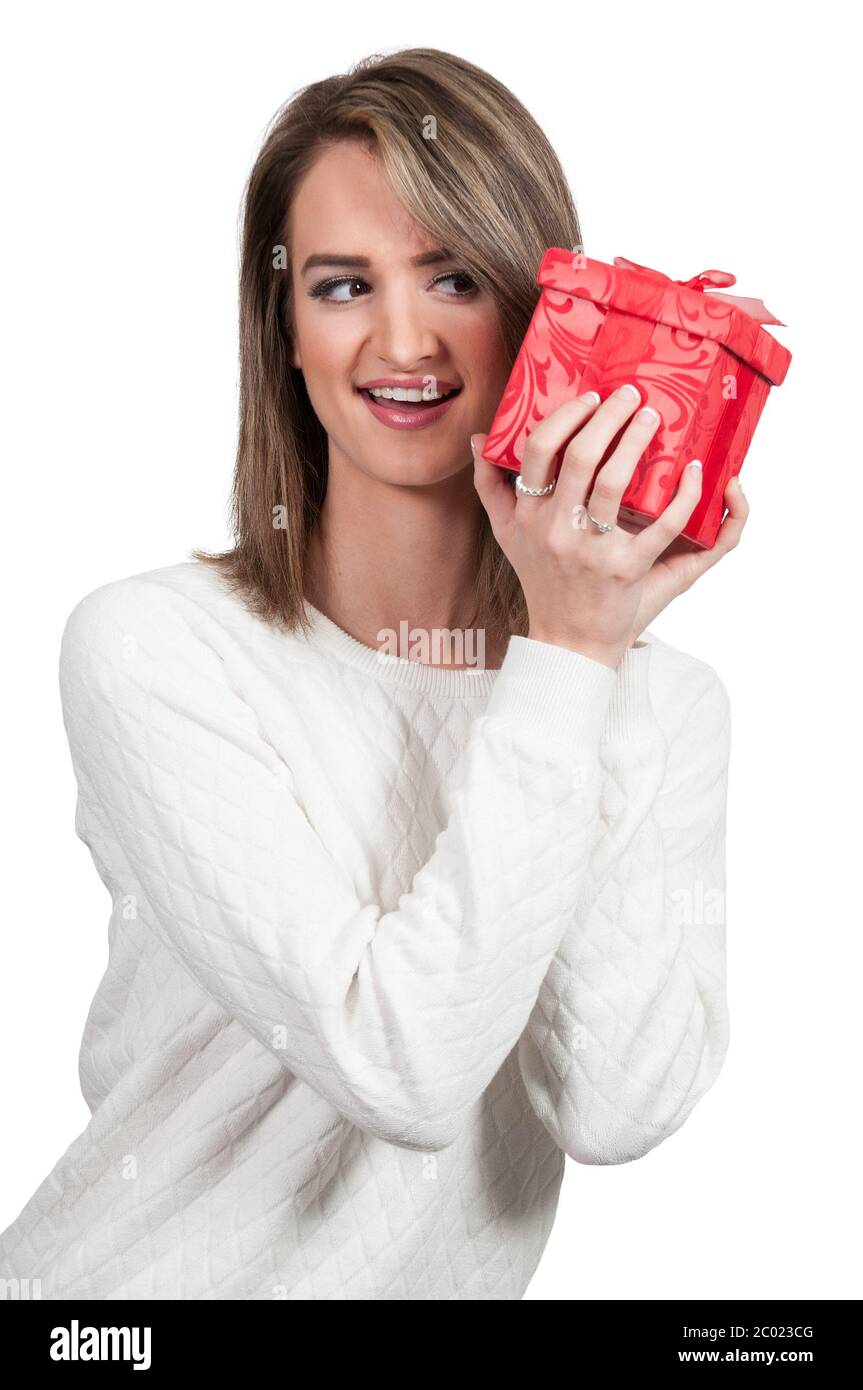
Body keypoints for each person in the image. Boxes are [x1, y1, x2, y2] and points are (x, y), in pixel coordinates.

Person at [0, 47, 746, 1301]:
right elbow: (401, 1065)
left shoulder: (653, 701)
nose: (402, 337)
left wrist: (585, 655)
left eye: (454, 275)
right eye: (342, 285)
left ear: (543, 306)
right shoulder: (156, 650)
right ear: (283, 333)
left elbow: (611, 1107)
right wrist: (571, 654)